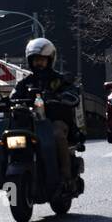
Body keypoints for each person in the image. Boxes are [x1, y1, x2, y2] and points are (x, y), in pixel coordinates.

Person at [13, 37, 81, 192]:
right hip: (31, 123)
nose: (39, 63)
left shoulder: (59, 80)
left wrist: (67, 96)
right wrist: (3, 101)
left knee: (57, 134)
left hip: (55, 120)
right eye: (35, 60)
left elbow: (72, 91)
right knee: (12, 134)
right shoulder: (25, 82)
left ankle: (66, 176)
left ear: (50, 60)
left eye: (42, 60)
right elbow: (14, 96)